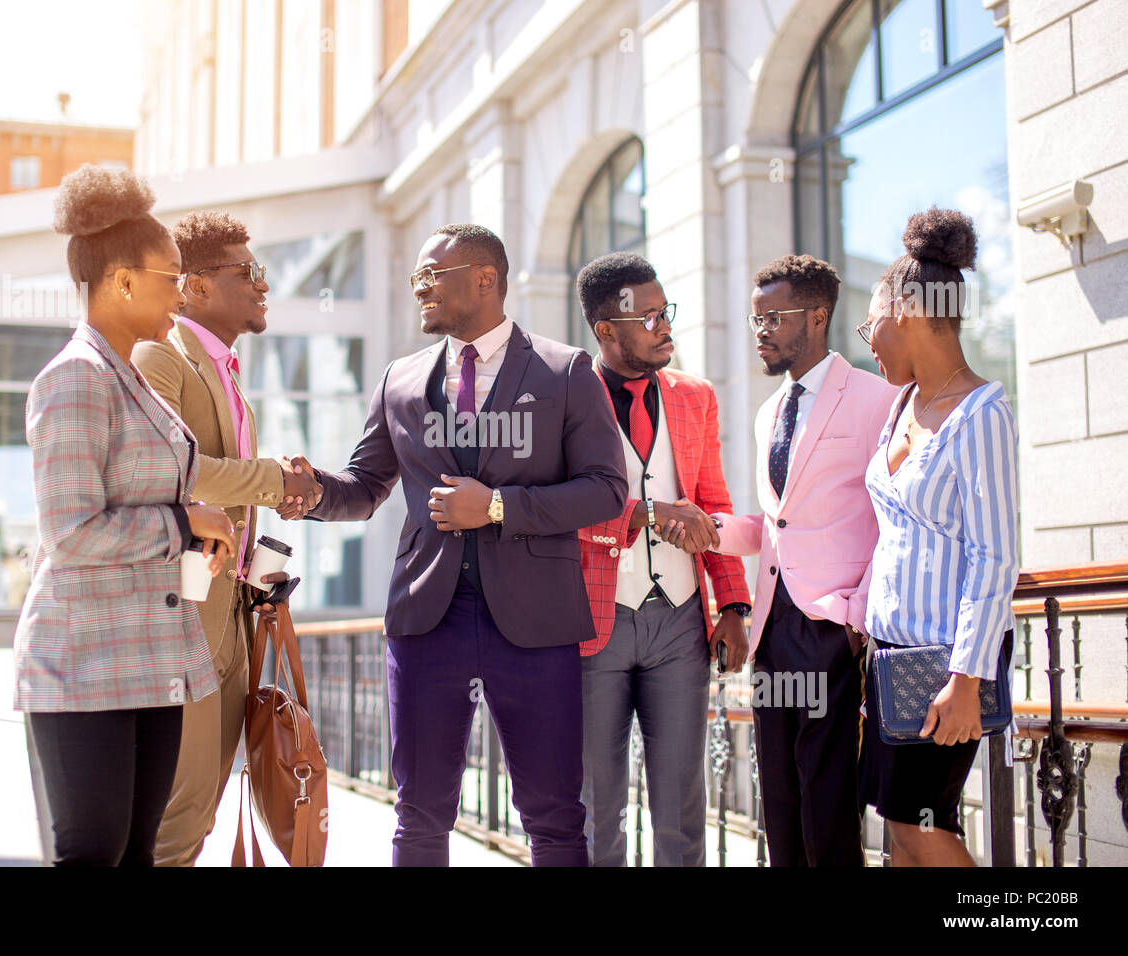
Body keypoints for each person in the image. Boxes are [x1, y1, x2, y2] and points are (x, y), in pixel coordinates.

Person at [302, 224, 627, 866]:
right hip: (428, 620)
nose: (419, 286)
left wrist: (499, 506)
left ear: (485, 277)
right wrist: (306, 490)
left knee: (556, 818)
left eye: (433, 273)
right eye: (416, 275)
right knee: (419, 813)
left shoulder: (566, 372)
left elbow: (607, 490)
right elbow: (366, 485)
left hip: (535, 625)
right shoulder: (400, 378)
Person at [14, 165, 237, 866]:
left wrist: (193, 536)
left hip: (152, 659)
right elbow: (72, 533)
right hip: (85, 665)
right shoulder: (75, 377)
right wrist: (184, 524)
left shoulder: (131, 374)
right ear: (122, 281)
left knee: (138, 855)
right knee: (93, 855)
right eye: (171, 277)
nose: (182, 292)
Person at [131, 211, 316, 866]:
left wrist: (259, 567)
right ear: (194, 286)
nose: (262, 285)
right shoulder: (160, 356)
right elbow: (164, 468)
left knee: (201, 809)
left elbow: (226, 499)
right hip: (180, 614)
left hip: (234, 616)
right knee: (174, 815)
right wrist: (272, 480)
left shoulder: (229, 375)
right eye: (249, 272)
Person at [710, 254, 898, 866]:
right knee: (781, 803)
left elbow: (893, 521)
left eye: (773, 317)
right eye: (754, 317)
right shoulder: (770, 412)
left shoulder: (876, 399)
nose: (759, 329)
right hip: (773, 629)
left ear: (817, 317)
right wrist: (703, 528)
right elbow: (777, 526)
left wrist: (856, 618)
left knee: (828, 803)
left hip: (830, 629)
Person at [573, 252, 751, 867]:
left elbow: (713, 501)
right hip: (593, 619)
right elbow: (555, 509)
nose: (663, 325)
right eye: (647, 317)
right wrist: (646, 515)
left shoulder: (695, 397)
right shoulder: (564, 397)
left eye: (664, 311)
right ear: (605, 330)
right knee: (597, 811)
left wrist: (732, 601)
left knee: (680, 807)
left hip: (680, 619)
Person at [856, 208, 1019, 866]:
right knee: (899, 830)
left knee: (924, 828)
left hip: (944, 667)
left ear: (907, 307)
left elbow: (995, 554)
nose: (868, 340)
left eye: (872, 323)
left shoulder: (982, 414)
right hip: (888, 659)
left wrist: (967, 679)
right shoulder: (901, 404)